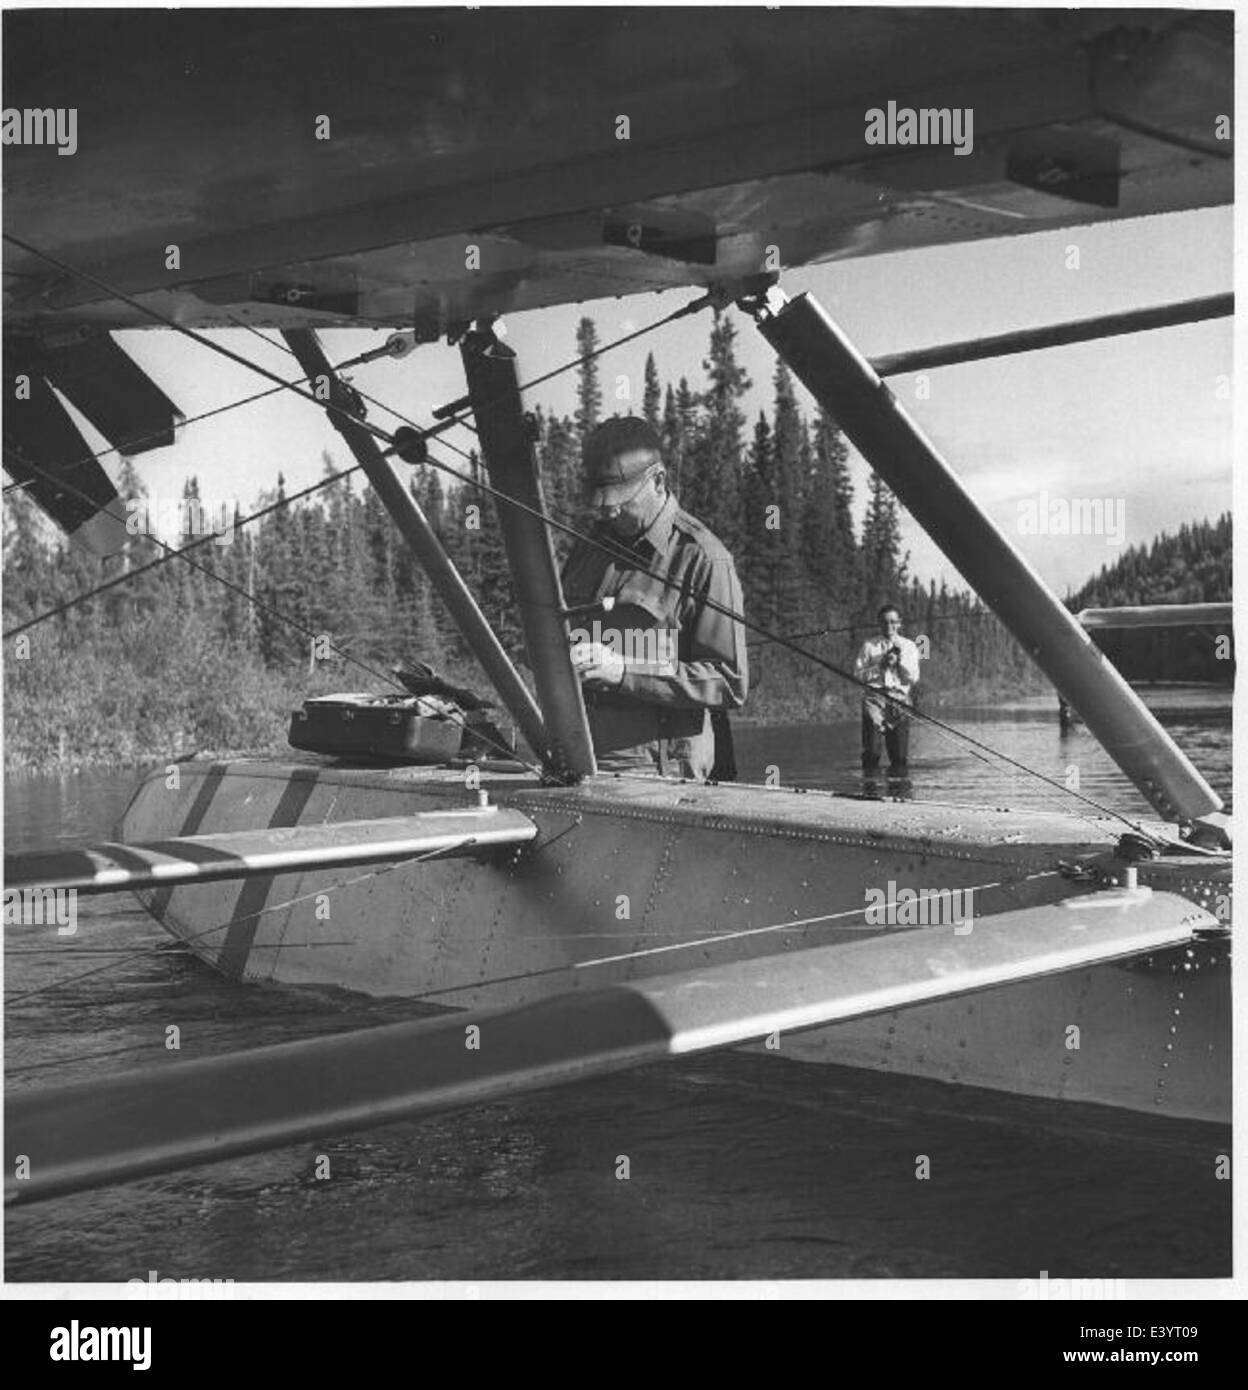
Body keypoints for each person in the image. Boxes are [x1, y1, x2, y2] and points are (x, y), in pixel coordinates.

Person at [562, 417, 748, 779]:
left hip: (659, 774)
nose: (609, 511)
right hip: (580, 759)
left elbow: (729, 682)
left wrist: (623, 670)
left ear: (659, 481)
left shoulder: (704, 558)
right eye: (602, 501)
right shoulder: (589, 547)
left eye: (622, 499)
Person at [854, 603, 921, 774]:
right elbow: (858, 676)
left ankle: (899, 788)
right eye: (884, 622)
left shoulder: (909, 646)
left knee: (899, 757)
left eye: (893, 622)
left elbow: (913, 678)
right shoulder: (869, 646)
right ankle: (869, 787)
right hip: (874, 701)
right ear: (879, 623)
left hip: (899, 701)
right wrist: (880, 666)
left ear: (899, 623)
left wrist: (899, 663)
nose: (889, 626)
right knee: (872, 754)